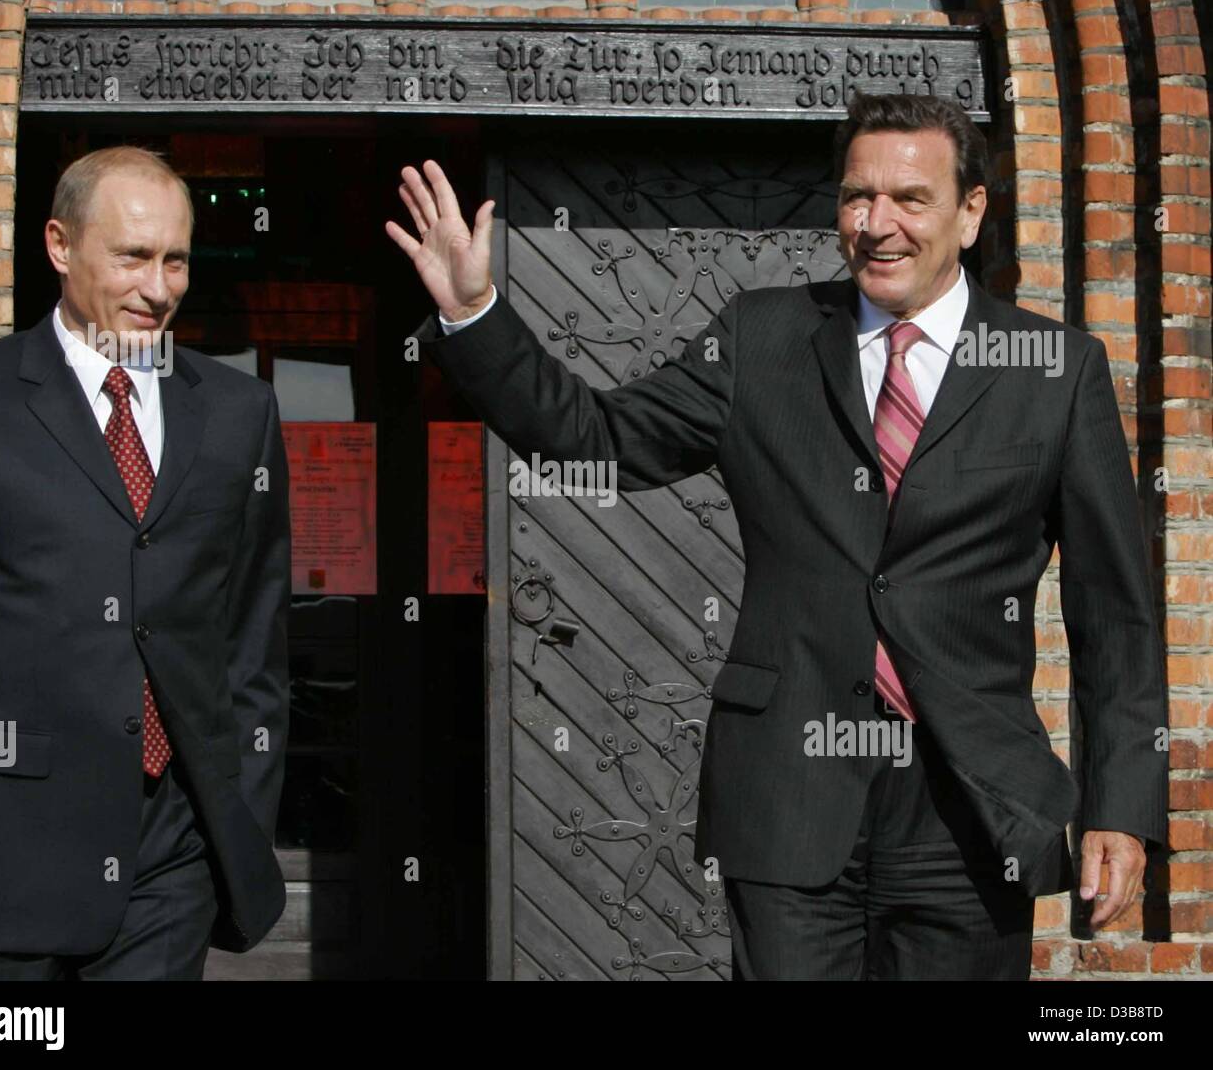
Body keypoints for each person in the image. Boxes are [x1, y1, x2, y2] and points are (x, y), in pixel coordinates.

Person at [385, 92, 1168, 979]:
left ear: (972, 211)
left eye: (910, 199)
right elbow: (596, 440)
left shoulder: (1056, 372)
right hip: (790, 791)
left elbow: (1115, 612)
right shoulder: (762, 337)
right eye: (855, 197)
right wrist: (474, 311)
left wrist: (1121, 804)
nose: (877, 224)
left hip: (969, 808)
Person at [0, 146, 290, 979]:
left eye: (177, 260)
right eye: (132, 257)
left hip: (170, 852)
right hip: (9, 848)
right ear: (58, 245)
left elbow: (254, 635)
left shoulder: (238, 415)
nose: (159, 288)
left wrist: (241, 805)